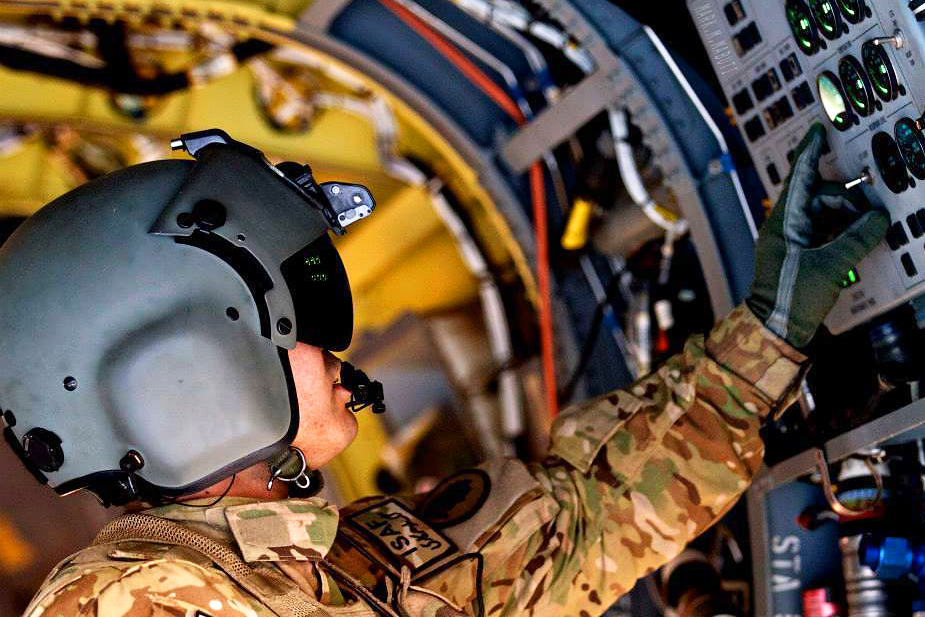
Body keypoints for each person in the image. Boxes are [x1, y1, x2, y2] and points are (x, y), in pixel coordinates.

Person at [5, 124, 886, 617]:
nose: (336, 349)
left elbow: (577, 524)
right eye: (301, 324)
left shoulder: (329, 558)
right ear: (195, 380)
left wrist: (764, 337)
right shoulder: (122, 607)